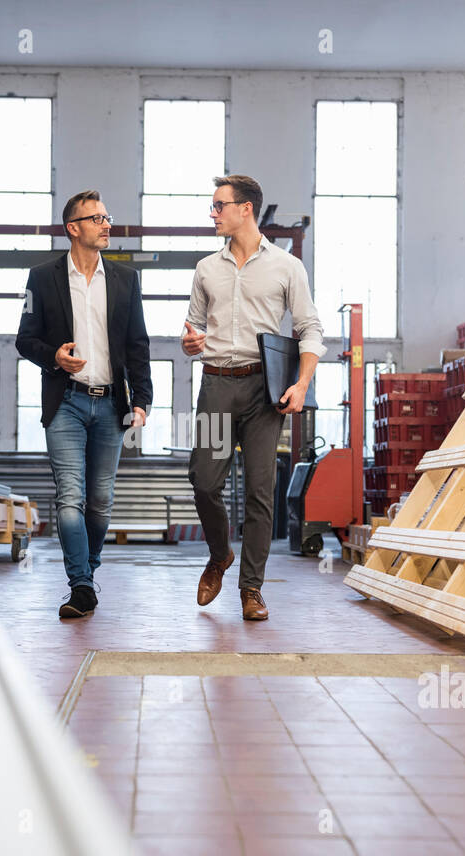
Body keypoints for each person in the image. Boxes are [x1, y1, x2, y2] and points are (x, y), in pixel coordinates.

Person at [183, 174, 325, 621]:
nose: (213, 213)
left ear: (246, 209)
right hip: (217, 383)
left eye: (219, 205)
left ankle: (251, 588)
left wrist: (301, 385)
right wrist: (190, 343)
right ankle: (220, 553)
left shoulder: (286, 267)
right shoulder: (207, 268)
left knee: (262, 491)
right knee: (205, 480)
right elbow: (193, 329)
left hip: (265, 390)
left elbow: (310, 329)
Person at [16, 189, 153, 618]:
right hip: (66, 403)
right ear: (73, 228)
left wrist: (143, 400)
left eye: (107, 217)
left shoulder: (126, 280)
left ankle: (88, 571)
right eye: (97, 218)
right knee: (70, 497)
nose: (106, 224)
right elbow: (25, 339)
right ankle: (79, 584)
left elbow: (137, 345)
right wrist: (53, 355)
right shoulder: (41, 278)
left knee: (100, 501)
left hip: (111, 403)